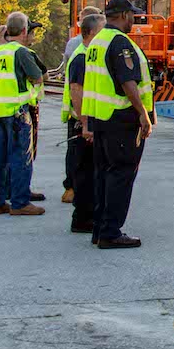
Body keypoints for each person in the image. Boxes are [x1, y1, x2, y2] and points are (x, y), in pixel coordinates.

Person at [83, 0, 155, 248]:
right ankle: (111, 232)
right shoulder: (120, 43)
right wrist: (142, 113)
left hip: (100, 119)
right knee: (121, 174)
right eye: (132, 15)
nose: (134, 19)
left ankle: (100, 229)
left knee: (104, 175)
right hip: (120, 119)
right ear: (124, 15)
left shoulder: (96, 42)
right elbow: (128, 82)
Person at [0, 12, 44, 216]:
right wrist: (32, 94)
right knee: (20, 158)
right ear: (25, 30)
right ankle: (20, 202)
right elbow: (37, 78)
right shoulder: (21, 52)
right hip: (18, 112)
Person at [65, 13, 105, 234]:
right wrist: (86, 123)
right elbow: (76, 91)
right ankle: (82, 218)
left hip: (85, 122)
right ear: (91, 32)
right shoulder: (82, 57)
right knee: (86, 172)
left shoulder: (87, 54)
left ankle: (86, 216)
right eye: (102, 30)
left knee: (89, 171)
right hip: (83, 124)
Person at [20, 20, 47, 203]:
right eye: (32, 33)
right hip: (26, 106)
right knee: (26, 152)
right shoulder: (27, 53)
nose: (34, 37)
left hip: (3, 109)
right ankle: (22, 191)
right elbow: (41, 76)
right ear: (25, 33)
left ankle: (9, 189)